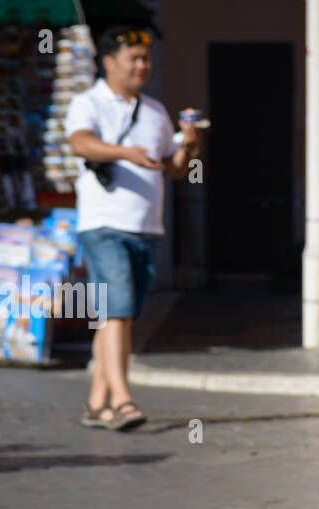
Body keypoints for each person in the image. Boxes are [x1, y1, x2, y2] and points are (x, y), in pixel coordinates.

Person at [65, 25, 202, 430]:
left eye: (146, 59)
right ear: (108, 63)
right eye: (134, 59)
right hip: (104, 224)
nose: (143, 65)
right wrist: (124, 152)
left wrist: (190, 145)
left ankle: (95, 402)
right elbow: (80, 143)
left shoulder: (156, 112)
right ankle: (123, 401)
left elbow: (174, 169)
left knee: (117, 315)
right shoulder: (88, 102)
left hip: (146, 226)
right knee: (117, 310)